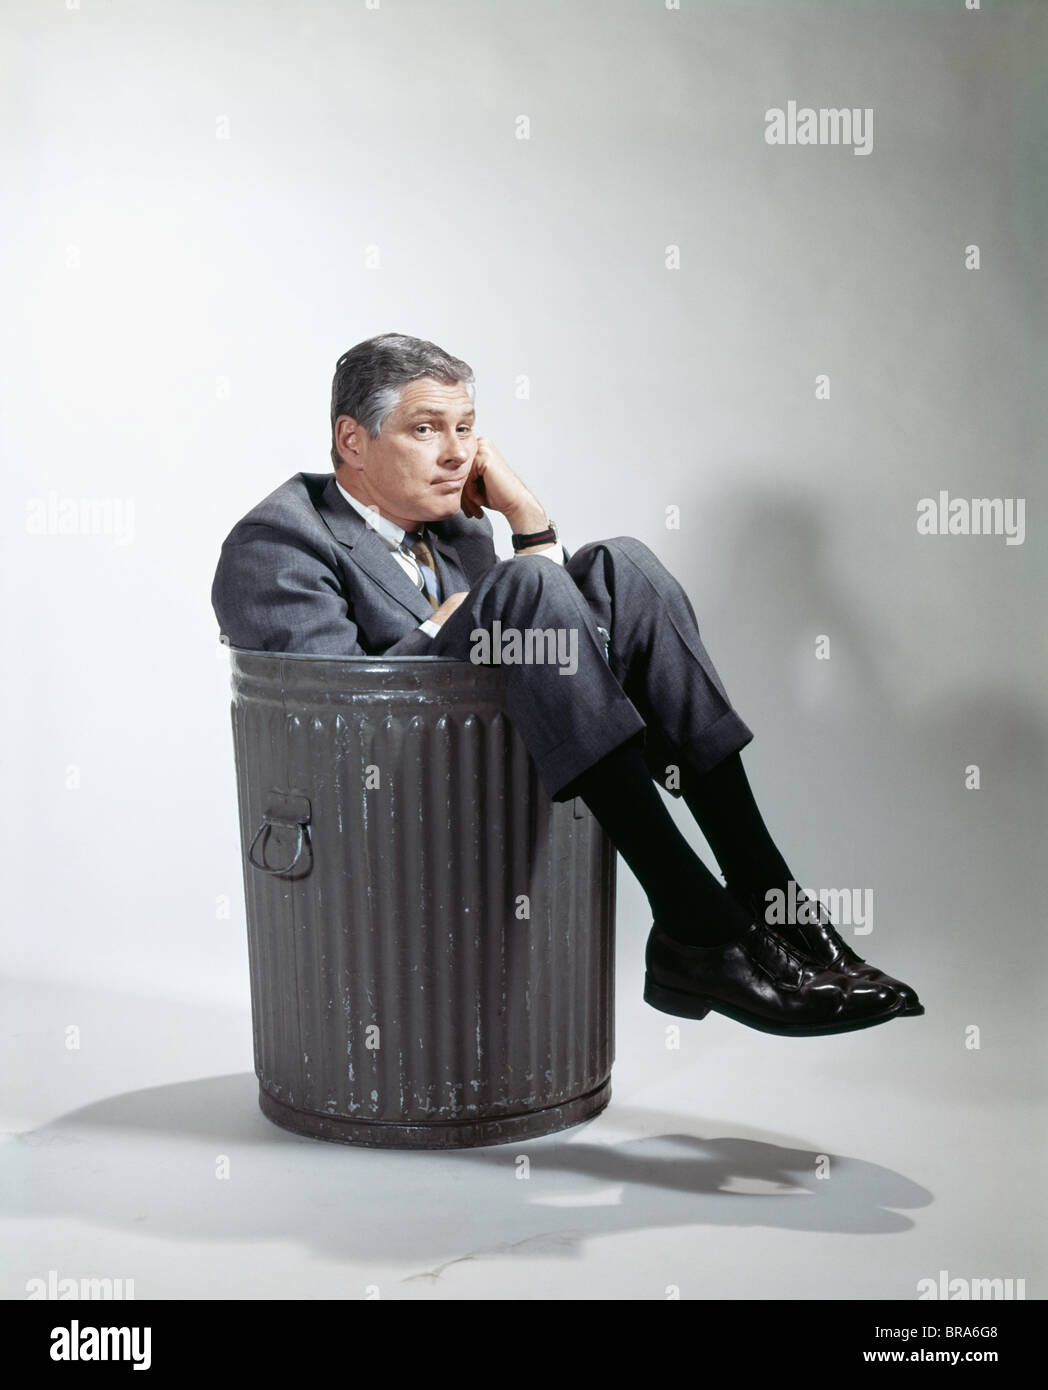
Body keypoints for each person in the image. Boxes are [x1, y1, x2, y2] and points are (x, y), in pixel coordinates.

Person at [211, 332, 923, 1037]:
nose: (457, 453)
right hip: (387, 796)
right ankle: (694, 915)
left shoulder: (455, 528)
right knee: (530, 583)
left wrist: (529, 521)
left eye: (465, 428)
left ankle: (771, 895)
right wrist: (465, 610)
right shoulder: (277, 542)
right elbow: (330, 723)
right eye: (425, 429)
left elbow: (545, 633)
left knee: (625, 566)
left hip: (494, 773)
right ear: (352, 440)